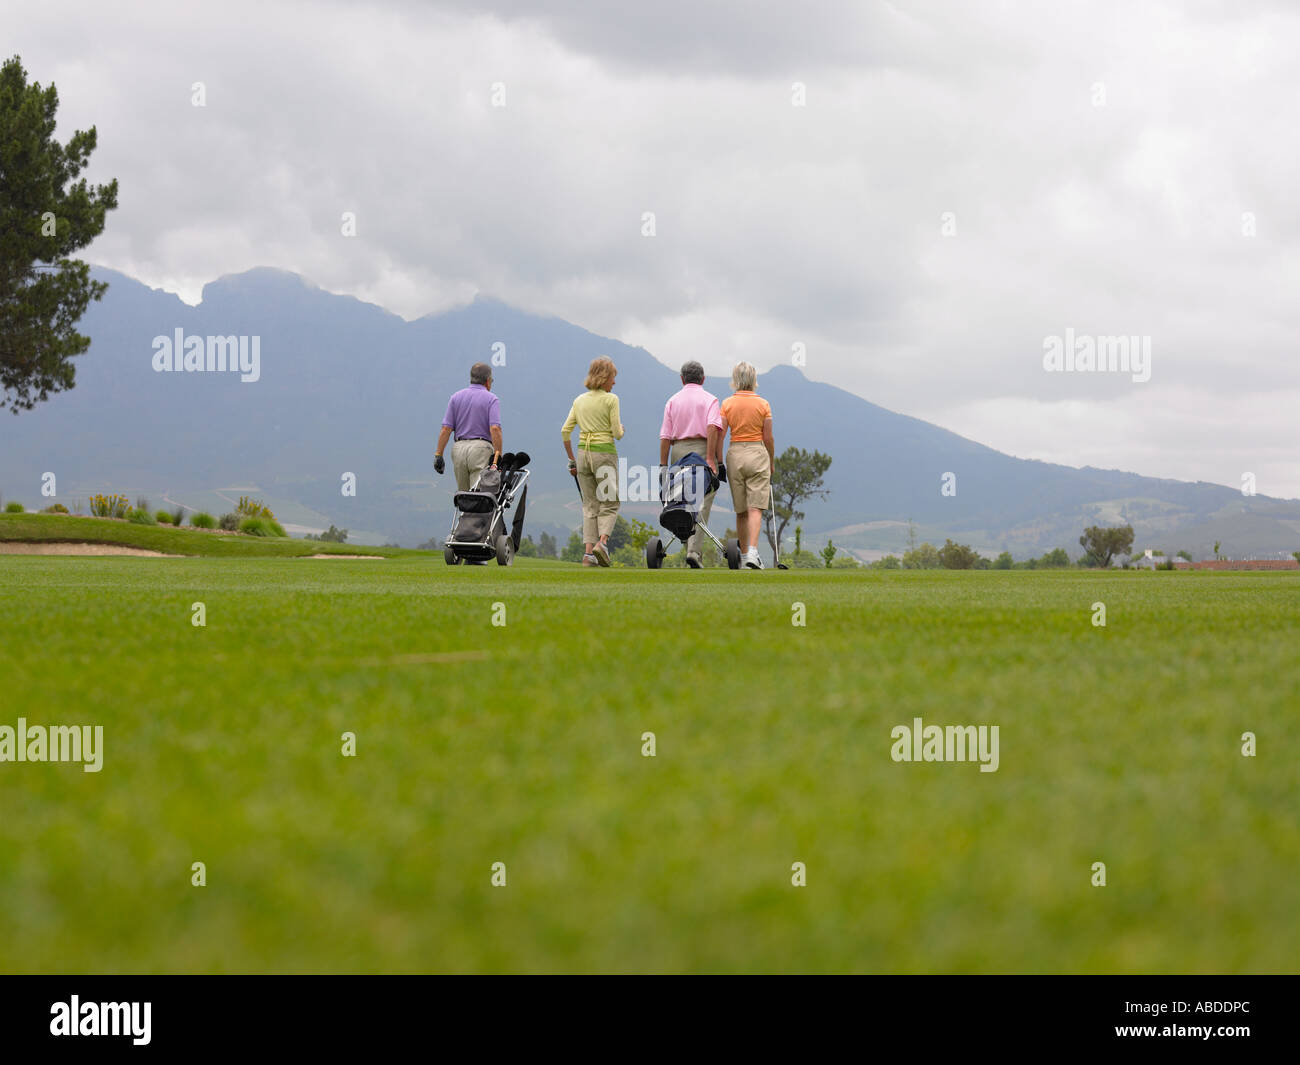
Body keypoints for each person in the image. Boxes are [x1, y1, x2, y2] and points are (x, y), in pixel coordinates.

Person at [659, 360, 724, 567]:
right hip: (702, 448)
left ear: (681, 379)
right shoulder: (711, 399)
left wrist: (662, 466)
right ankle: (693, 552)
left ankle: (686, 539)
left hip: (678, 450)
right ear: (703, 379)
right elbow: (713, 428)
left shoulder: (672, 401)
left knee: (680, 495)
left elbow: (665, 436)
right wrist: (710, 458)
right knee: (702, 498)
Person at [709, 361, 773, 570]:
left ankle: (745, 556)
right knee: (756, 508)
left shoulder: (727, 404)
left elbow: (720, 435)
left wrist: (718, 460)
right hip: (757, 452)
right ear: (754, 380)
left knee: (741, 510)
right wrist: (771, 461)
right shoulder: (763, 404)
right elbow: (768, 437)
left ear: (735, 380)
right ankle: (753, 552)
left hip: (735, 453)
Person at [562, 356, 624, 567]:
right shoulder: (611, 399)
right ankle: (602, 543)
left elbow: (565, 431)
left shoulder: (579, 400)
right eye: (613, 377)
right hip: (603, 453)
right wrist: (622, 430)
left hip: (582, 455)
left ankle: (588, 554)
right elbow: (617, 433)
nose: (614, 382)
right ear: (605, 377)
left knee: (589, 505)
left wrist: (572, 460)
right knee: (610, 501)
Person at [434, 362, 502, 491]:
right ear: (487, 381)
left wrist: (439, 454)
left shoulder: (455, 397)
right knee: (478, 495)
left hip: (458, 449)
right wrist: (498, 457)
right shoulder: (491, 399)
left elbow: (446, 429)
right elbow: (495, 429)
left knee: (464, 496)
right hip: (480, 449)